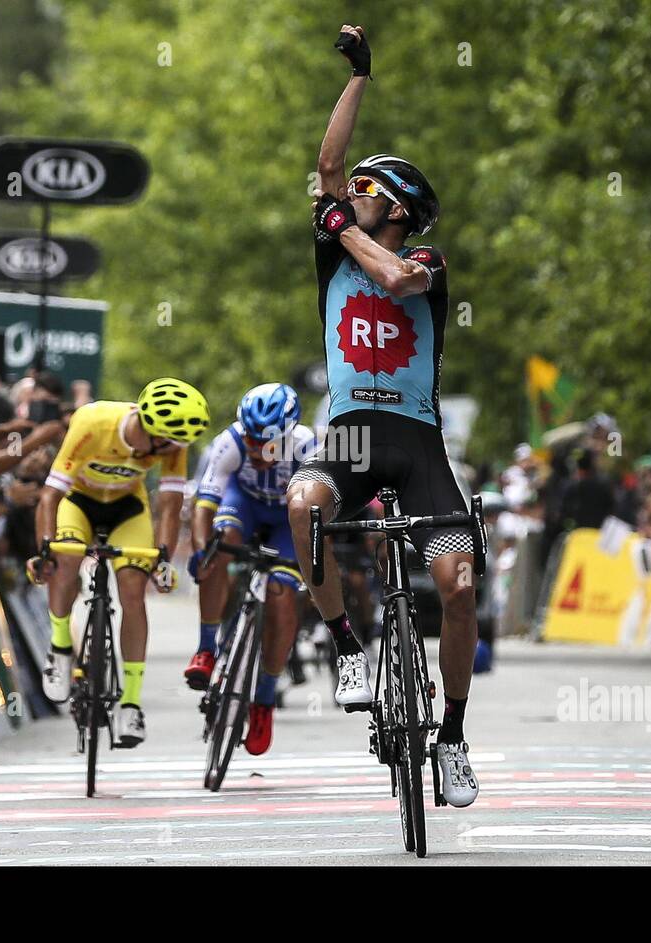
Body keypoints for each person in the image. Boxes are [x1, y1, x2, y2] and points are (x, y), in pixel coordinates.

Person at [286, 24, 479, 808]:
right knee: (303, 507)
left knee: (457, 585)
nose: (345, 197)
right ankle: (347, 648)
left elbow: (397, 280)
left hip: (418, 443)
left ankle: (455, 738)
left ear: (394, 206)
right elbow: (329, 166)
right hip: (354, 434)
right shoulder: (335, 246)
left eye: (366, 192)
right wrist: (359, 77)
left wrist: (344, 228)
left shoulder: (427, 264)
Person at [29, 378, 209, 748]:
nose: (174, 450)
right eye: (168, 443)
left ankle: (130, 703)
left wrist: (162, 559)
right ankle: (61, 647)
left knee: (132, 590)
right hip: (79, 503)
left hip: (128, 509)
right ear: (150, 429)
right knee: (66, 559)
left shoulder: (172, 443)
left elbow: (170, 506)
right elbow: (50, 497)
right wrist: (46, 550)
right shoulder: (92, 422)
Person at [184, 383, 315, 756]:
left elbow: (317, 514)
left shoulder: (308, 446)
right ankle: (207, 649)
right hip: (246, 506)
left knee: (282, 594)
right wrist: (201, 550)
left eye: (267, 442)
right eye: (252, 439)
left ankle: (265, 699)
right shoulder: (230, 442)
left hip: (287, 519)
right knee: (218, 545)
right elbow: (205, 504)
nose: (257, 450)